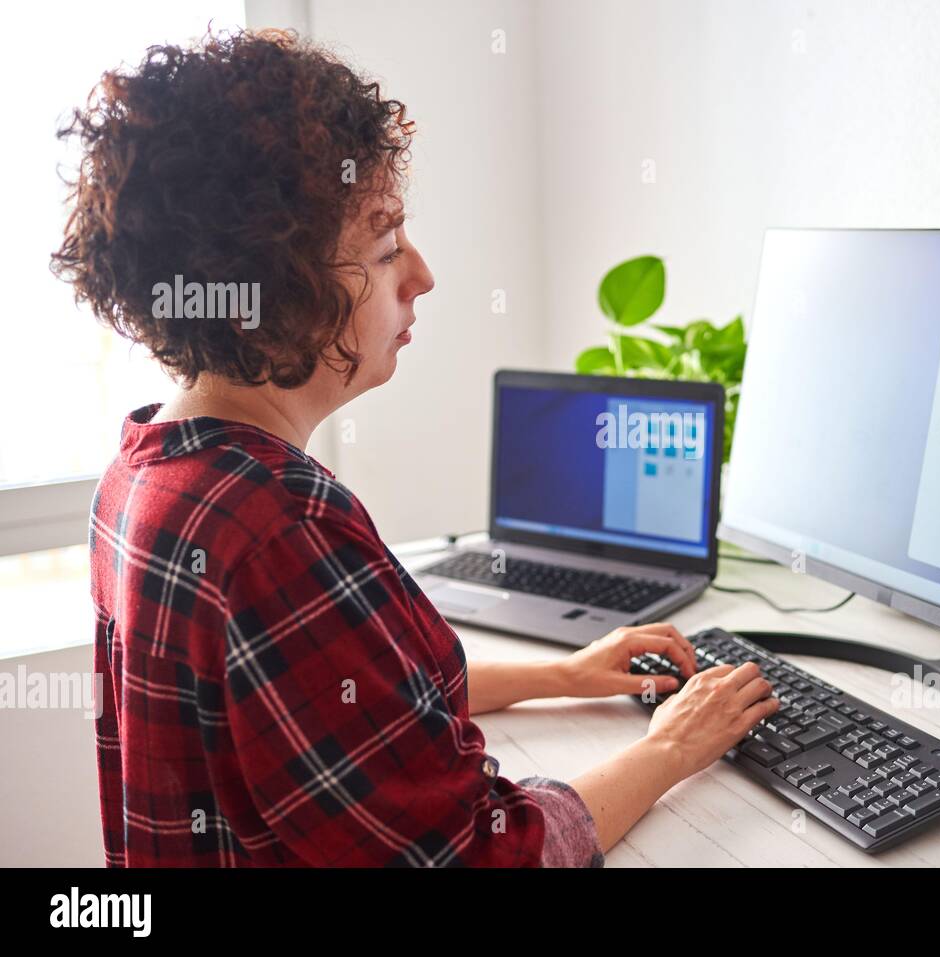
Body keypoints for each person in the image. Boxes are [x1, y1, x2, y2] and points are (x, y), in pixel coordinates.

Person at [51, 28, 778, 867]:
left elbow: (344, 713)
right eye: (388, 243)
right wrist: (672, 749)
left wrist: (564, 675)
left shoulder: (144, 474)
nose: (422, 274)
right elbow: (484, 854)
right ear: (283, 281)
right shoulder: (278, 528)